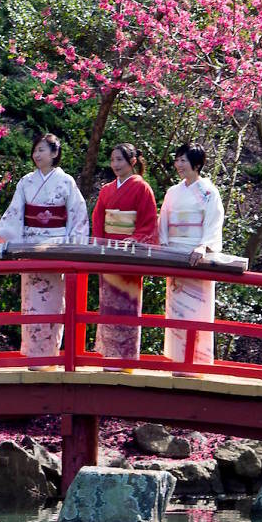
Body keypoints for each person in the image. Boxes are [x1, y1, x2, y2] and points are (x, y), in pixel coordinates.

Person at [0, 134, 89, 359]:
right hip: (30, 245)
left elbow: (77, 214)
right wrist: (1, 239)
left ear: (55, 153)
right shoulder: (26, 182)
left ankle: (50, 354)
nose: (37, 155)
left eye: (42, 150)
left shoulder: (66, 182)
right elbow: (14, 213)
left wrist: (76, 246)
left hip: (57, 247)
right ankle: (33, 353)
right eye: (35, 150)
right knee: (32, 301)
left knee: (53, 301)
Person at [91, 143, 159, 363]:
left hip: (129, 252)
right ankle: (109, 354)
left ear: (132, 162)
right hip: (109, 250)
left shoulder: (142, 188)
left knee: (127, 306)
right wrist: (99, 243)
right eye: (112, 160)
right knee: (108, 303)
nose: (115, 165)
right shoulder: (106, 189)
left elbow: (148, 222)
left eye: (120, 160)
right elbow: (98, 219)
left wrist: (136, 239)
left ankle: (126, 358)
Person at [158, 142, 225, 367]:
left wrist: (203, 246)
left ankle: (196, 365)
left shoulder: (209, 193)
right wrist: (165, 245)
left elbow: (214, 223)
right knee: (176, 313)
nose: (178, 165)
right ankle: (177, 363)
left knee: (196, 312)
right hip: (174, 253)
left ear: (196, 165)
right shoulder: (173, 192)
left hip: (196, 255)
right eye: (177, 160)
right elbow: (164, 222)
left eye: (183, 160)